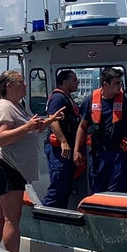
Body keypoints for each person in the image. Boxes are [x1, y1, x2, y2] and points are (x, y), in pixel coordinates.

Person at [0, 70, 62, 252]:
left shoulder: (16, 106)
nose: (25, 85)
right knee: (11, 218)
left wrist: (49, 120)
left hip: (4, 163)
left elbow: (27, 129)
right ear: (9, 86)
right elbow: (1, 137)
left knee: (0, 216)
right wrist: (27, 126)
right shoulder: (4, 107)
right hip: (6, 164)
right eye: (21, 82)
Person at [74, 67, 127, 194]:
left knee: (119, 191)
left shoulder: (126, 101)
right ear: (105, 84)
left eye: (120, 82)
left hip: (120, 155)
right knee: (97, 190)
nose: (120, 86)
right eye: (117, 83)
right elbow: (82, 127)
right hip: (98, 154)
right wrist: (76, 150)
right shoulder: (90, 101)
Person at [42, 69, 80, 208]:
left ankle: (60, 213)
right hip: (59, 150)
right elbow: (52, 120)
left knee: (66, 186)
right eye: (74, 80)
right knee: (58, 184)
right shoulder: (58, 98)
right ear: (64, 82)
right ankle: (47, 214)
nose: (77, 83)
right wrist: (63, 141)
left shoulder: (67, 98)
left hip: (67, 150)